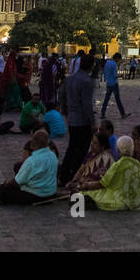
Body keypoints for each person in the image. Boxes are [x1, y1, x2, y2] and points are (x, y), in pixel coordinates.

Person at [0, 130, 60, 206]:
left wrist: (5, 185)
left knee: (5, 191)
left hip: (36, 195)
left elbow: (17, 182)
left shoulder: (32, 160)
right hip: (50, 192)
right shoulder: (53, 156)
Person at [59, 54, 96, 185]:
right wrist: (92, 121)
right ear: (91, 65)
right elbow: (86, 104)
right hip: (82, 120)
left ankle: (64, 175)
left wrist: (65, 110)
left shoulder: (70, 79)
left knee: (71, 147)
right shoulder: (86, 81)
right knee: (81, 151)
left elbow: (62, 95)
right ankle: (74, 176)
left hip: (72, 118)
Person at [81, 136, 140, 211]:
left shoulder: (118, 165)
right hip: (135, 201)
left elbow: (102, 184)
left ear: (118, 149)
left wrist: (87, 185)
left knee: (90, 193)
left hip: (120, 201)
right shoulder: (137, 164)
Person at [65, 128, 114, 193]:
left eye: (95, 143)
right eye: (92, 141)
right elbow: (80, 170)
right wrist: (73, 181)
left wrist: (80, 185)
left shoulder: (106, 158)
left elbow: (100, 182)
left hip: (95, 189)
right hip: (82, 185)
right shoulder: (90, 154)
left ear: (103, 146)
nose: (91, 144)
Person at [101, 52, 126, 119]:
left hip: (108, 83)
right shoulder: (114, 64)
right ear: (117, 58)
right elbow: (115, 75)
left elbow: (105, 72)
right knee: (117, 99)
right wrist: (120, 75)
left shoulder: (107, 63)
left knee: (106, 99)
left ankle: (102, 113)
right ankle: (122, 114)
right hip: (114, 83)